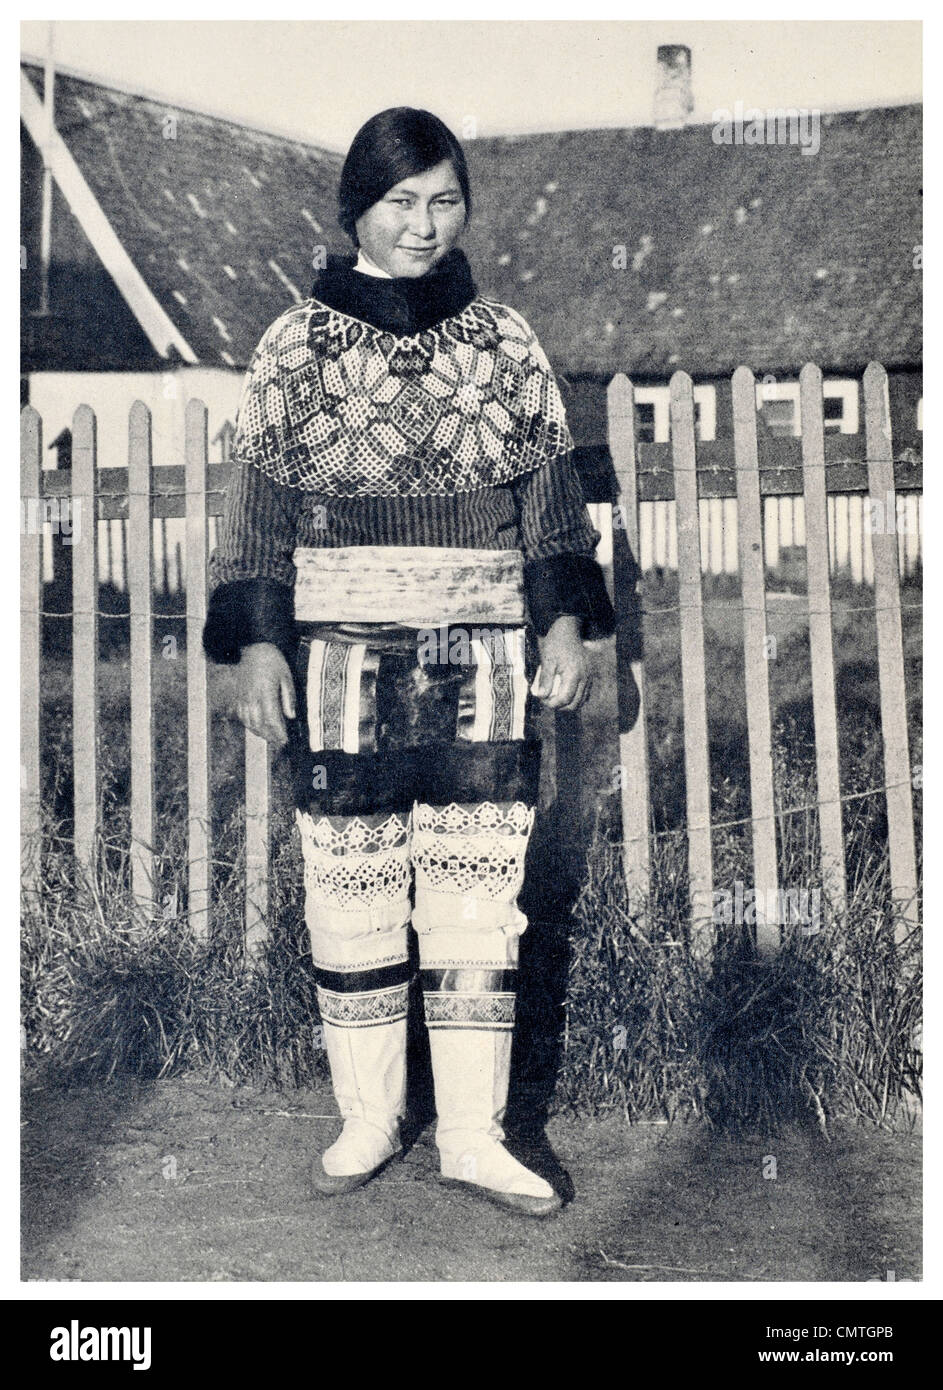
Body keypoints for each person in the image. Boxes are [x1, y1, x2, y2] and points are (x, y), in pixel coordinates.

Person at [203, 107, 615, 1217]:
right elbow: (257, 512)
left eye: (442, 200)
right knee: (352, 890)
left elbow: (550, 508)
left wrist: (565, 628)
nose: (423, 225)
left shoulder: (505, 343)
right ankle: (370, 1116)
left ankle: (475, 1134)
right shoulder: (292, 347)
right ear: (355, 212)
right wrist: (255, 644)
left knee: (477, 902)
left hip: (482, 662)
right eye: (399, 202)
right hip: (337, 665)